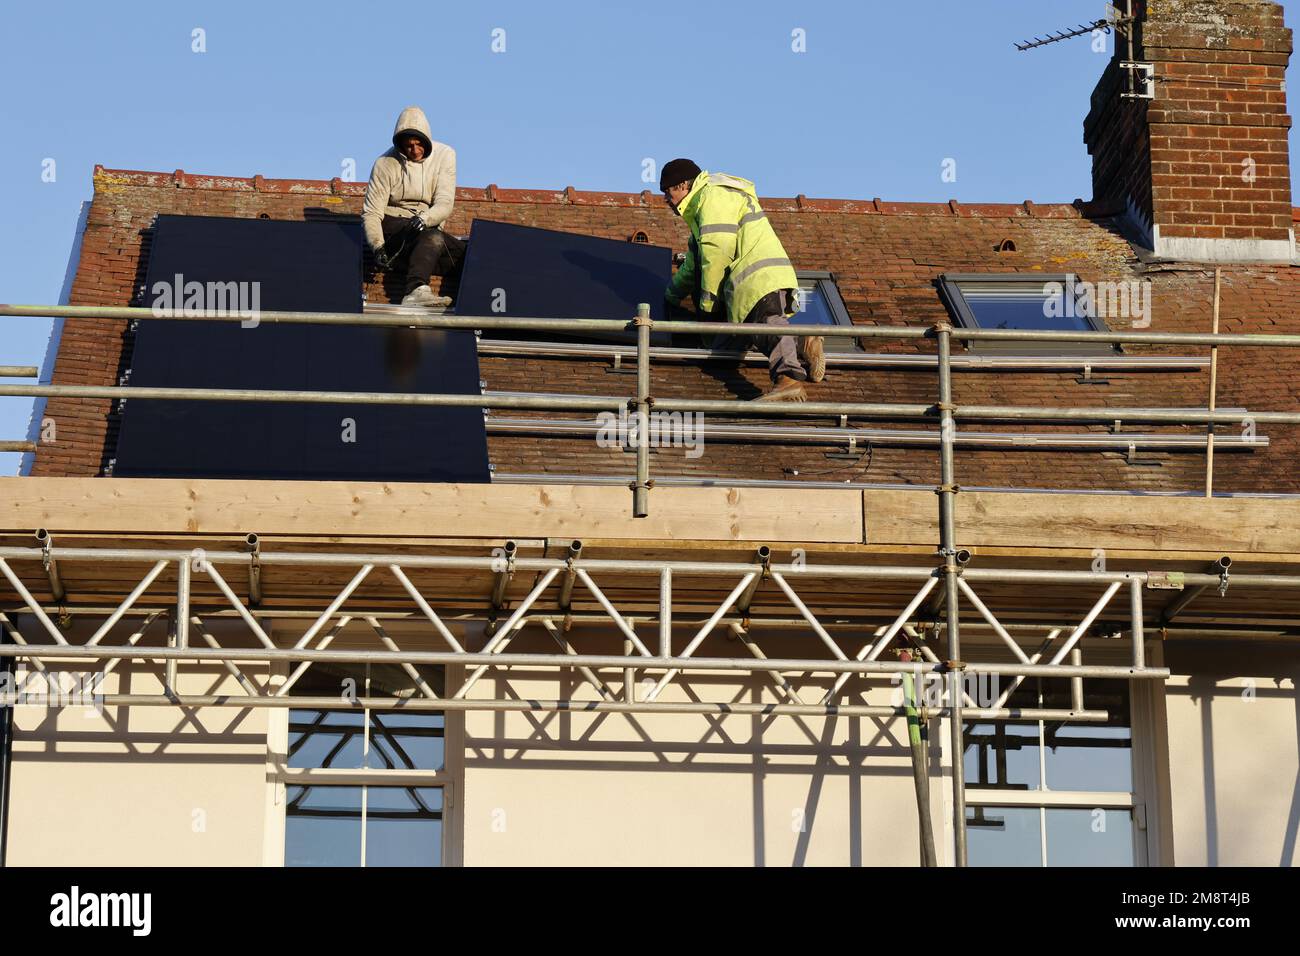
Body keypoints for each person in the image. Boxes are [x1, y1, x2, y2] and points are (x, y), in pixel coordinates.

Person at [661, 158, 824, 402]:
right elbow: (693, 267)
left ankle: (788, 379)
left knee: (766, 322)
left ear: (683, 185)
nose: (665, 200)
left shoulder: (712, 197)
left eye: (667, 192)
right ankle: (803, 341)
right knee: (725, 348)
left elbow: (717, 252)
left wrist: (708, 305)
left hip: (756, 276)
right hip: (747, 283)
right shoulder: (699, 217)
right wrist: (670, 295)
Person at [363, 106, 466, 307]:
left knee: (471, 258)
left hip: (426, 226)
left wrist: (423, 219)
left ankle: (476, 307)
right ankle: (415, 291)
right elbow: (372, 212)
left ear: (427, 140)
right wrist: (377, 246)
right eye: (409, 146)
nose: (415, 150)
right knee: (433, 236)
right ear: (400, 144)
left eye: (419, 144)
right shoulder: (384, 163)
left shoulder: (445, 155)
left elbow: (445, 203)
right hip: (393, 226)